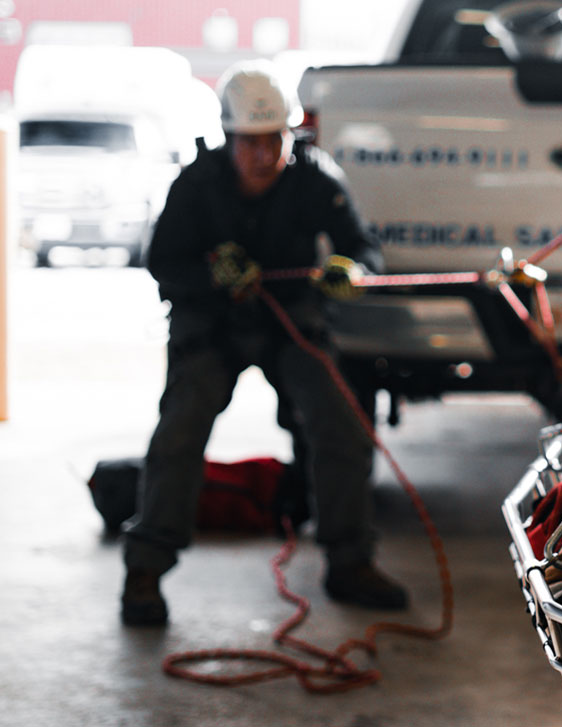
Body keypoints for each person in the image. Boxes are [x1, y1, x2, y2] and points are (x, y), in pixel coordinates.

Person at [121, 60, 406, 626]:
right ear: (229, 137)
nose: (263, 153)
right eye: (250, 141)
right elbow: (162, 262)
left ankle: (350, 563)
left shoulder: (316, 178)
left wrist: (352, 269)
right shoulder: (196, 184)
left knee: (342, 427)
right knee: (180, 430)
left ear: (290, 133)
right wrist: (210, 278)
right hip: (212, 329)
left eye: (274, 138)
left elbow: (363, 246)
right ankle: (145, 572)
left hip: (290, 325)